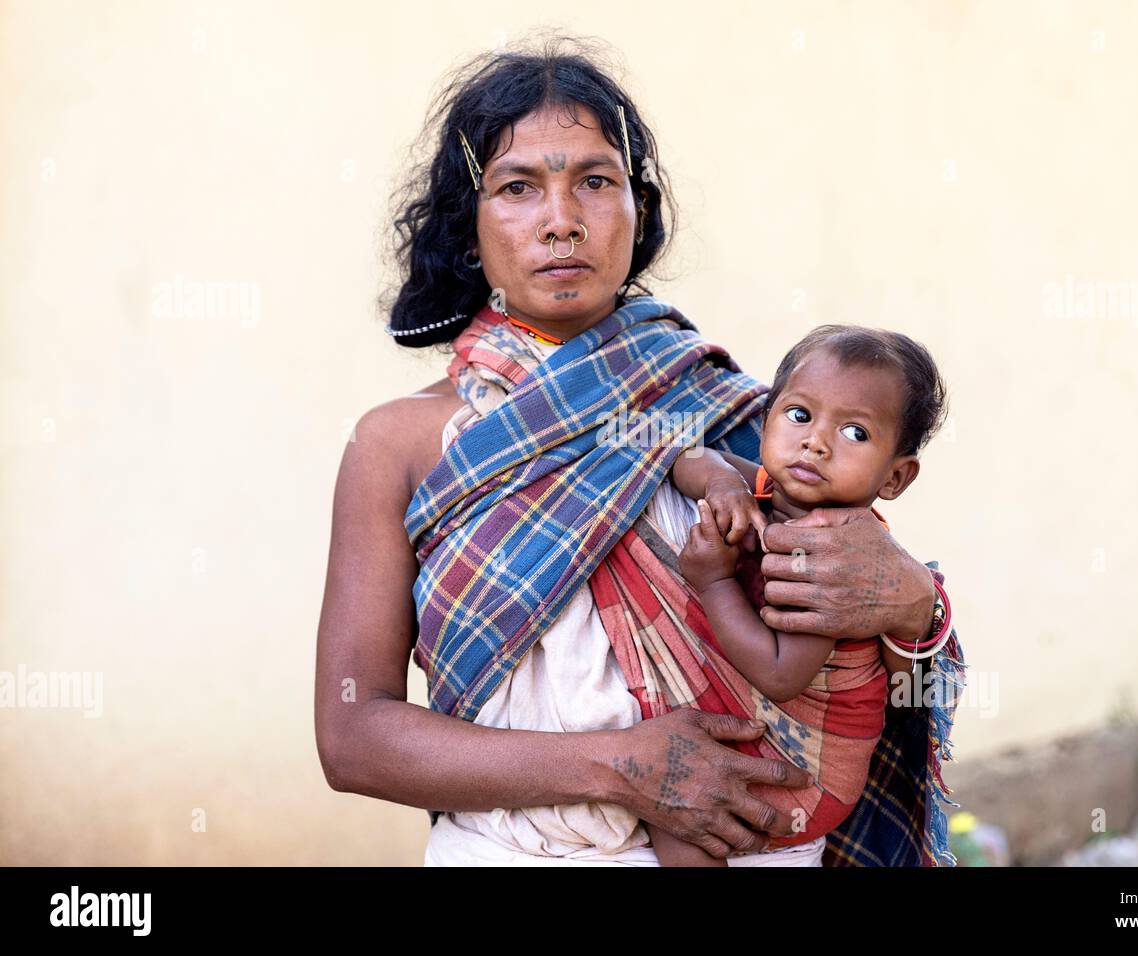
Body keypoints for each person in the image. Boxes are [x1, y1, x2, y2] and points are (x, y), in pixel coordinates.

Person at [313, 38, 963, 867]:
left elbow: (886, 620)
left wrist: (913, 600)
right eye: (518, 188)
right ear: (470, 232)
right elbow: (353, 734)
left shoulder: (745, 415)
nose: (562, 220)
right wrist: (624, 769)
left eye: (594, 180)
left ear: (637, 210)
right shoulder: (399, 445)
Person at [643, 325, 949, 866]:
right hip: (771, 744)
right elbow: (682, 457)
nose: (816, 442)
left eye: (855, 433)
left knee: (679, 822)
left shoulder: (837, 554)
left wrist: (713, 581)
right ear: (766, 420)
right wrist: (718, 477)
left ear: (896, 477)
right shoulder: (769, 491)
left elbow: (781, 674)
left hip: (809, 770)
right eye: (800, 416)